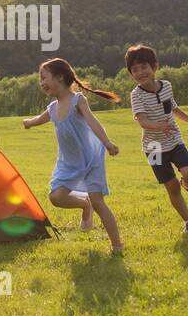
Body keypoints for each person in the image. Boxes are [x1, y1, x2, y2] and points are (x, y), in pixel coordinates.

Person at [23, 58, 123, 255]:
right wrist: (28, 122)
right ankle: (84, 205)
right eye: (40, 79)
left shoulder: (78, 100)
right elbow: (40, 119)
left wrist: (107, 142)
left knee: (99, 202)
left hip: (90, 160)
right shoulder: (52, 107)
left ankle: (117, 246)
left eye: (44, 78)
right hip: (68, 163)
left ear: (59, 77)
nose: (41, 83)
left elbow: (93, 123)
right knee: (56, 197)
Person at [125, 43, 188, 234]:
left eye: (144, 67)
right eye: (135, 70)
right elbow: (143, 121)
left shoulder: (166, 87)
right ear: (131, 74)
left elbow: (172, 108)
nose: (140, 73)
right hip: (153, 147)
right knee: (171, 187)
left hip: (173, 140)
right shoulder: (136, 95)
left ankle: (187, 184)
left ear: (155, 66)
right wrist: (159, 126)